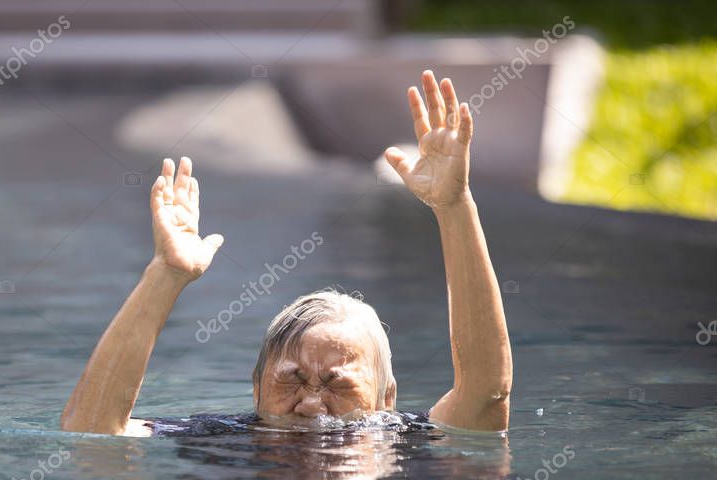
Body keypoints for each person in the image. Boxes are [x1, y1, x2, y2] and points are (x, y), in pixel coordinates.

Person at [61, 70, 512, 437]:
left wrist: (454, 208)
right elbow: (92, 430)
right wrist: (165, 274)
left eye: (337, 384)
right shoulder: (229, 440)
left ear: (386, 397)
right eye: (292, 379)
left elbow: (487, 395)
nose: (313, 405)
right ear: (257, 389)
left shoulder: (404, 440)